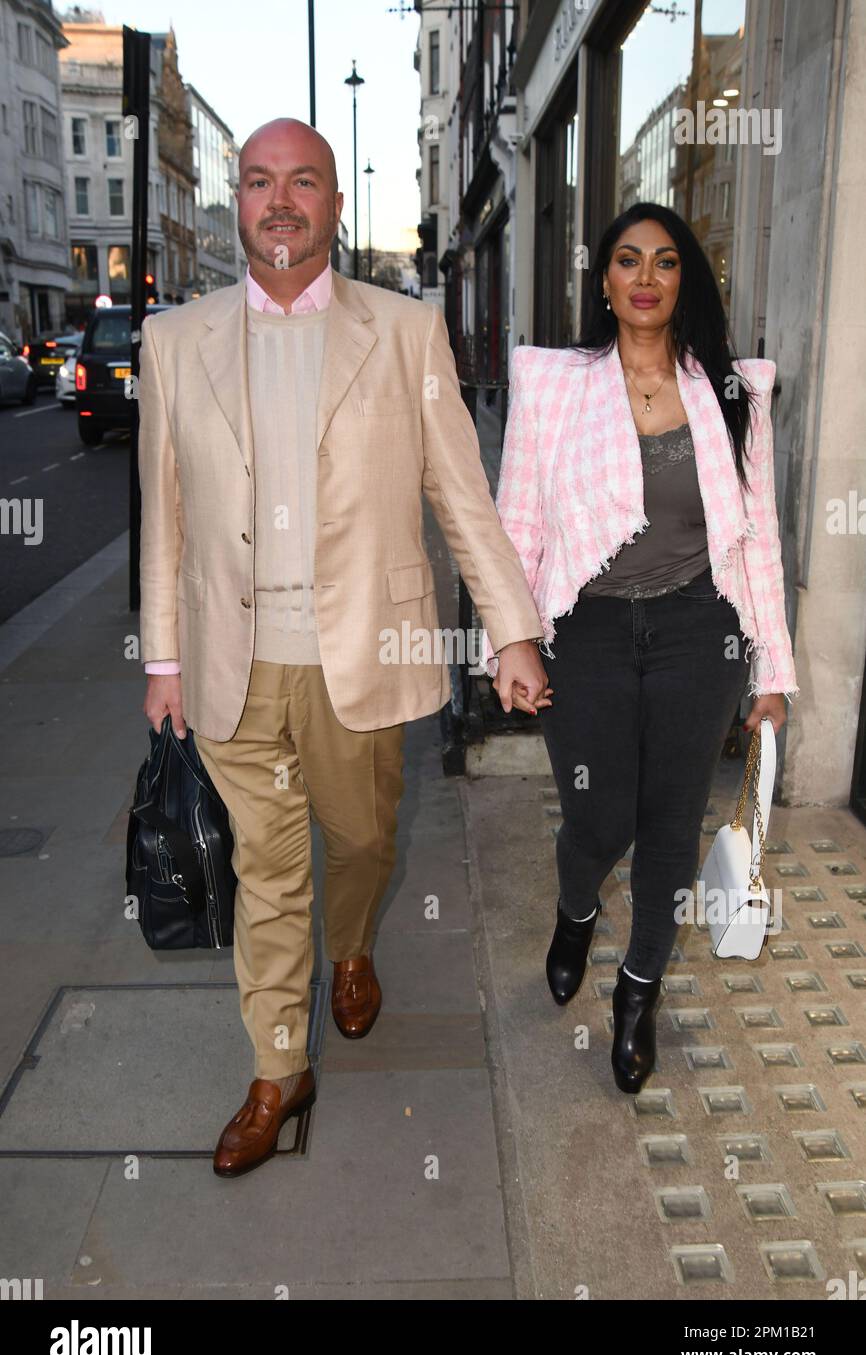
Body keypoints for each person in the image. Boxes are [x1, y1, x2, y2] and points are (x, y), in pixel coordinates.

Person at [138, 117, 551, 1177]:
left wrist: (509, 628)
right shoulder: (175, 341)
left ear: (332, 204)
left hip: (356, 651)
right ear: (238, 200)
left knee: (363, 841)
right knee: (268, 870)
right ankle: (279, 1067)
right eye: (260, 182)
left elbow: (458, 491)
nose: (280, 200)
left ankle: (353, 944)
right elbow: (164, 514)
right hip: (234, 658)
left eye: (304, 182)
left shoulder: (404, 333)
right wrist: (163, 660)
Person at [485, 201, 798, 1094]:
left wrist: (770, 672)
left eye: (665, 262)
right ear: (606, 281)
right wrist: (512, 641)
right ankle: (576, 908)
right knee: (599, 815)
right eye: (629, 261)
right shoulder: (556, 386)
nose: (648, 277)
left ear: (685, 278)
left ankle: (638, 991)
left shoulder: (731, 392)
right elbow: (518, 524)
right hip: (586, 630)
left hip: (701, 629)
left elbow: (759, 538)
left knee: (672, 820)